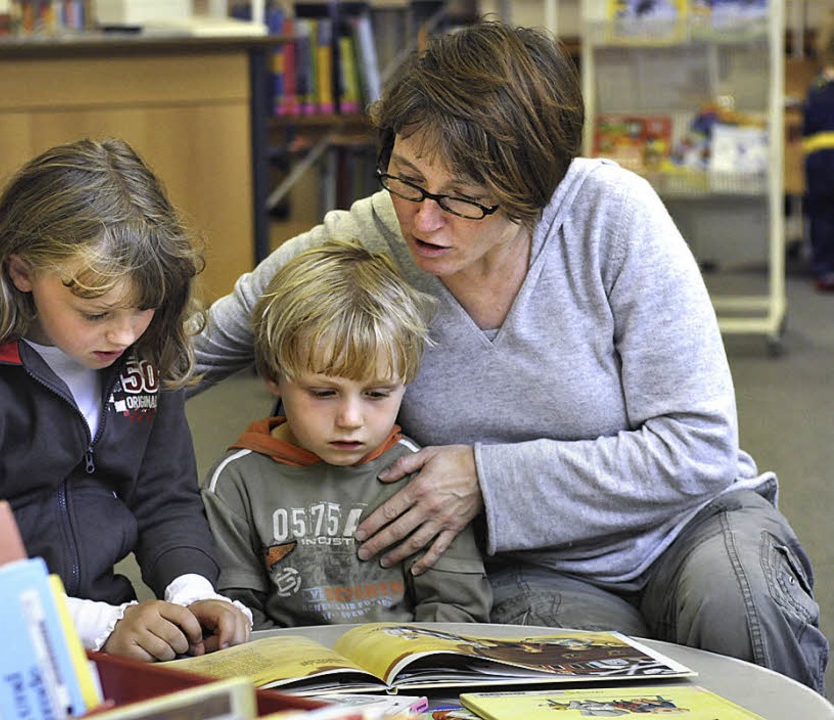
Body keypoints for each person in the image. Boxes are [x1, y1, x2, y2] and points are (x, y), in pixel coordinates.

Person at [190, 18, 828, 690]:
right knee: (557, 678)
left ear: (534, 188)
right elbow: (181, 357)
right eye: (406, 179)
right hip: (534, 564)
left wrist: (486, 478)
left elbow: (698, 449)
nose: (423, 218)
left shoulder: (612, 215)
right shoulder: (364, 236)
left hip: (690, 523)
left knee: (743, 609)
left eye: (464, 197)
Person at [0, 138, 250, 662]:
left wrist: (192, 591)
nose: (123, 334)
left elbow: (165, 497)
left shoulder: (143, 353)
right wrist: (102, 627)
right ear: (21, 272)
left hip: (105, 627)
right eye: (95, 314)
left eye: (144, 307)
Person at [200, 240, 492, 628]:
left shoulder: (422, 478)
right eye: (324, 393)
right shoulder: (236, 482)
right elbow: (233, 614)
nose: (351, 419)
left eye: (377, 394)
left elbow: (457, 607)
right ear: (272, 376)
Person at [803, 8, 834, 292]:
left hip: (818, 158)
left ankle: (825, 270)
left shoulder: (818, 85)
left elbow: (809, 123)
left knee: (822, 214)